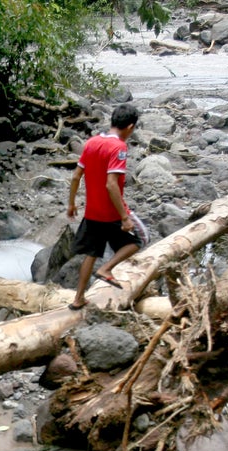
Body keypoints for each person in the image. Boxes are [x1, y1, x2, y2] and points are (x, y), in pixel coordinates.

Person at [67, 102, 144, 310]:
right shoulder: (119, 148)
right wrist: (124, 217)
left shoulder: (91, 142)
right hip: (111, 213)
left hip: (92, 211)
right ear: (130, 127)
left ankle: (78, 299)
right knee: (140, 239)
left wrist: (71, 203)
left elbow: (76, 176)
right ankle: (107, 269)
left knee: (92, 253)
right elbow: (111, 184)